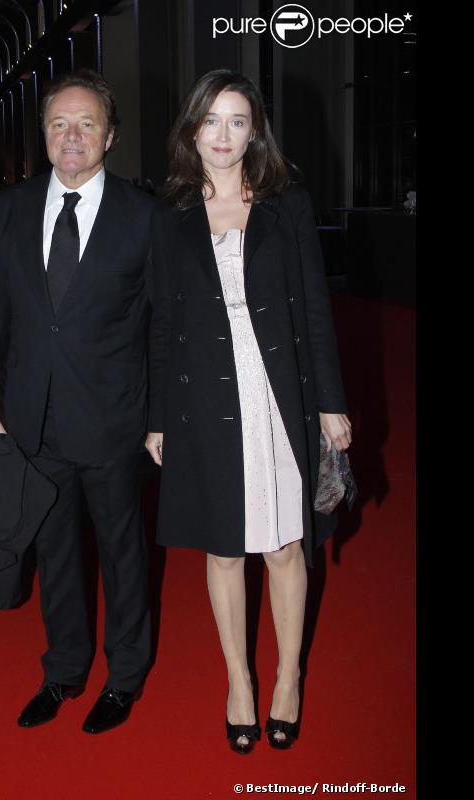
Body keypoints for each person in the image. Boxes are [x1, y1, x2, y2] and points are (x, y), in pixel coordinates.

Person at [145, 70, 352, 755]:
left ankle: (288, 677)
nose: (223, 135)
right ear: (191, 129)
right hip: (204, 399)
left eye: (237, 121)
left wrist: (331, 404)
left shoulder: (287, 206)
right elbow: (161, 324)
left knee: (285, 544)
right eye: (211, 120)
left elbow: (315, 310)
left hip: (277, 393)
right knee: (225, 547)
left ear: (254, 130)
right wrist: (158, 417)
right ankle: (239, 679)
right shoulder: (169, 214)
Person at [0, 69, 156, 735]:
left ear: (110, 135)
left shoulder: (144, 215)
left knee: (123, 554)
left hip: (113, 420)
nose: (72, 136)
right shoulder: (8, 209)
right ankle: (64, 670)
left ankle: (124, 676)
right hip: (33, 420)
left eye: (86, 124)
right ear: (43, 134)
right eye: (58, 124)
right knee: (54, 553)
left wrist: (160, 419)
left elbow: (163, 326)